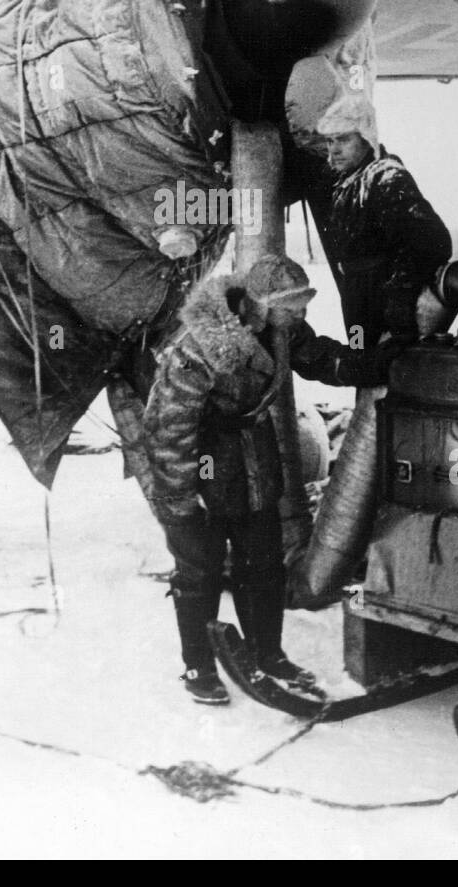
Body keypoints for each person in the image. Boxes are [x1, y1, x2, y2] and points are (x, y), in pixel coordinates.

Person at [143, 253, 396, 705]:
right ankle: (198, 666)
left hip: (253, 459)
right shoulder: (199, 345)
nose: (301, 315)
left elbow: (319, 358)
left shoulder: (279, 329)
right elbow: (168, 426)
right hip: (202, 460)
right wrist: (181, 502)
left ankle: (269, 654)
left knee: (262, 562)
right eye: (294, 306)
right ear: (262, 302)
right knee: (198, 568)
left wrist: (373, 366)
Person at [315, 93, 452, 350]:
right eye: (330, 141)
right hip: (355, 301)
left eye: (343, 139)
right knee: (358, 353)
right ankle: (361, 375)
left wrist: (400, 293)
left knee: (387, 366)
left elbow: (432, 240)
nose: (334, 149)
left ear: (367, 137)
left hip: (381, 299)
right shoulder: (345, 179)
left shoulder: (385, 176)